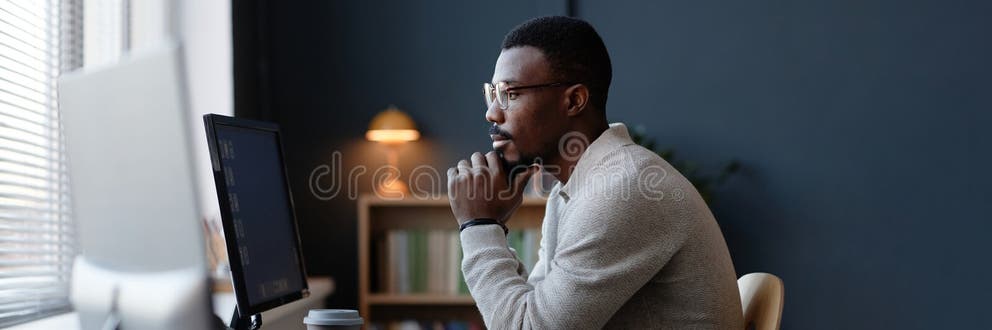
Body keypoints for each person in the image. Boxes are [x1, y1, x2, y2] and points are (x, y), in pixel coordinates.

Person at [447, 16, 743, 329]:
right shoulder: (573, 192)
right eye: (492, 94)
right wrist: (491, 226)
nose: (491, 112)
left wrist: (477, 224)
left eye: (511, 93)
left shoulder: (624, 190)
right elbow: (532, 309)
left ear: (574, 100)